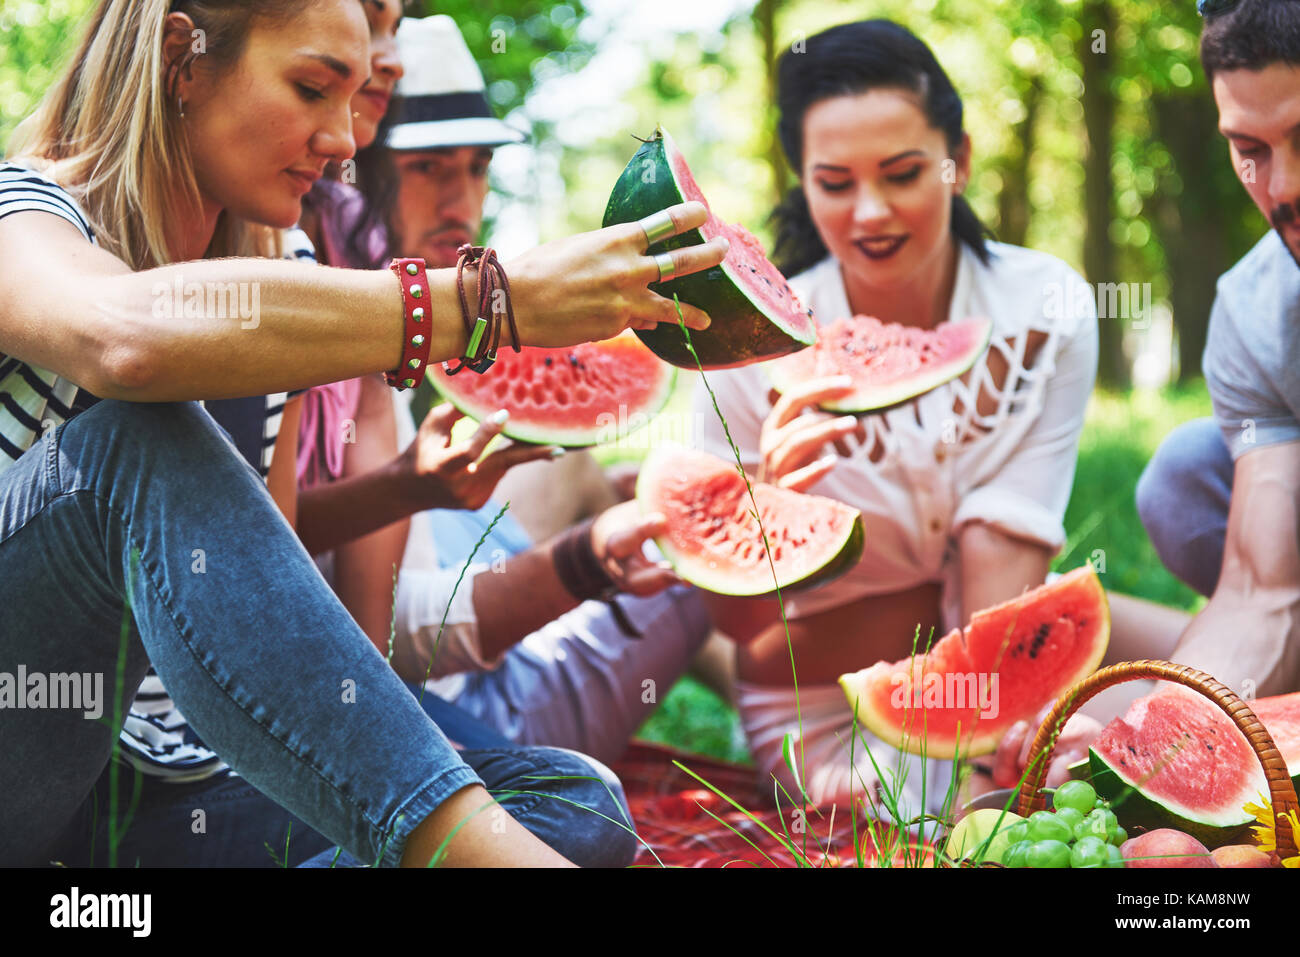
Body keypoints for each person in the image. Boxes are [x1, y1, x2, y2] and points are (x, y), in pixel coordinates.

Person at [0, 0, 726, 868]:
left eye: (350, 98)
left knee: (575, 803)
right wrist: (485, 303)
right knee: (133, 439)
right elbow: (124, 337)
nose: (346, 141)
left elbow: (269, 593)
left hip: (177, 790)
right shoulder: (24, 213)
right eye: (311, 88)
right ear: (181, 61)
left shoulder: (290, 278)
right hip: (28, 762)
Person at [691, 20, 1099, 818]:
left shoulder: (1046, 308)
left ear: (961, 160)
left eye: (904, 173)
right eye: (835, 183)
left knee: (1185, 710)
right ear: (802, 183)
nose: (870, 212)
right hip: (816, 710)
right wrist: (766, 510)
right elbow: (738, 626)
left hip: (997, 645)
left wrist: (989, 752)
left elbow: (1004, 539)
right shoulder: (746, 350)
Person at [294, 14, 714, 767]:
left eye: (478, 166)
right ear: (355, 165)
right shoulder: (313, 311)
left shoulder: (381, 347)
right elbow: (379, 640)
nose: (462, 201)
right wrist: (580, 555)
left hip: (423, 651)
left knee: (614, 487)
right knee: (692, 545)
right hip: (439, 700)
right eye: (429, 168)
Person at [1134, 0, 1300, 704]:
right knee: (1184, 473)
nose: (1282, 187)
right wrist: (1164, 728)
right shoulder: (1254, 309)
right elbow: (1264, 588)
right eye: (1251, 151)